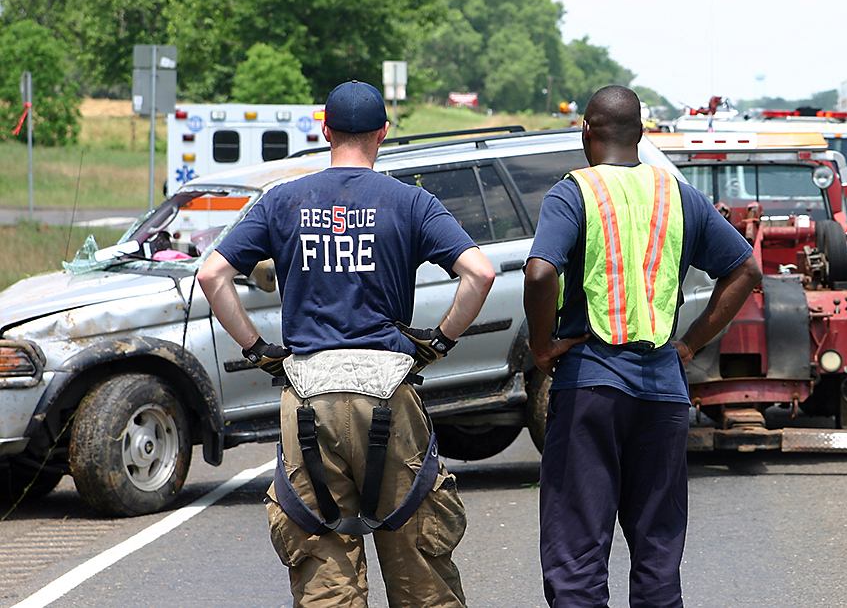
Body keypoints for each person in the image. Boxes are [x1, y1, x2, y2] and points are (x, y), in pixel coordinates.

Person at [196, 80, 494, 608]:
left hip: (309, 397)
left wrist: (256, 348)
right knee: (421, 571)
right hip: (388, 394)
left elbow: (213, 275)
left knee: (325, 576)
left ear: (325, 129)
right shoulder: (412, 202)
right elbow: (480, 273)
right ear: (384, 132)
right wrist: (440, 340)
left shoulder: (283, 201)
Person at [524, 85, 762, 607]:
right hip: (664, 393)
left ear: (587, 129)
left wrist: (542, 349)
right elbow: (746, 270)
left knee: (578, 551)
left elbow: (541, 272)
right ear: (642, 132)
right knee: (657, 552)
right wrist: (691, 343)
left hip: (590, 387)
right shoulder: (677, 193)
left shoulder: (574, 192)